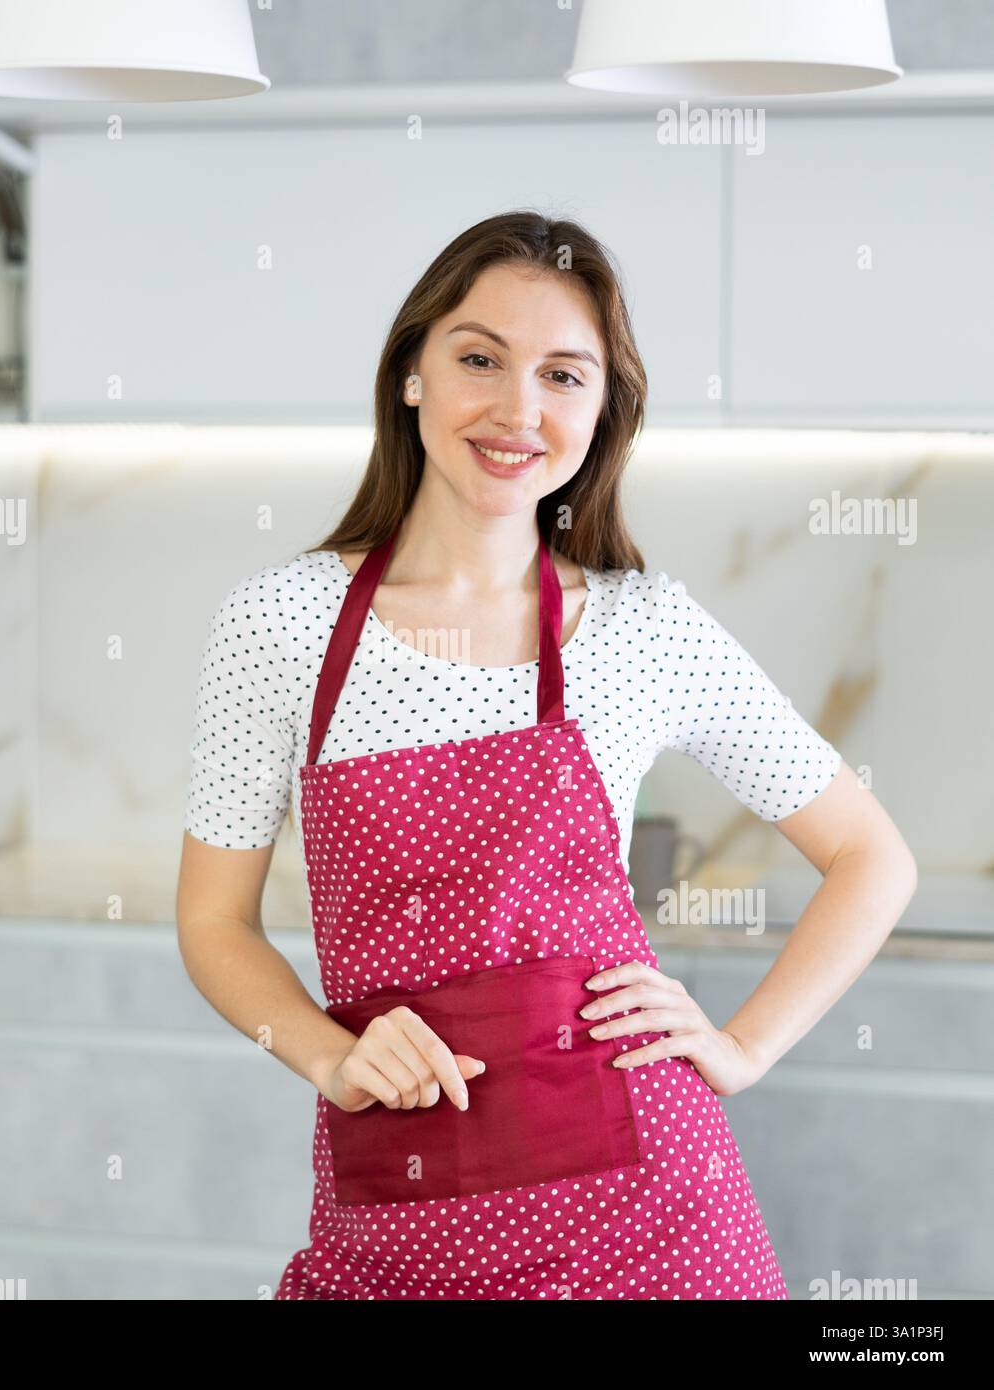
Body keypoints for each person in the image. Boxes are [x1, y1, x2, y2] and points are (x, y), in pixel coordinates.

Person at [175, 209, 917, 1301]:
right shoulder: (279, 624)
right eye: (479, 358)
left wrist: (742, 1046)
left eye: (564, 375)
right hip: (399, 1201)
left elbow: (870, 855)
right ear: (412, 372)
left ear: (601, 407)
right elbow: (211, 920)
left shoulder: (642, 626)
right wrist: (327, 1054)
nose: (517, 408)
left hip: (652, 1220)